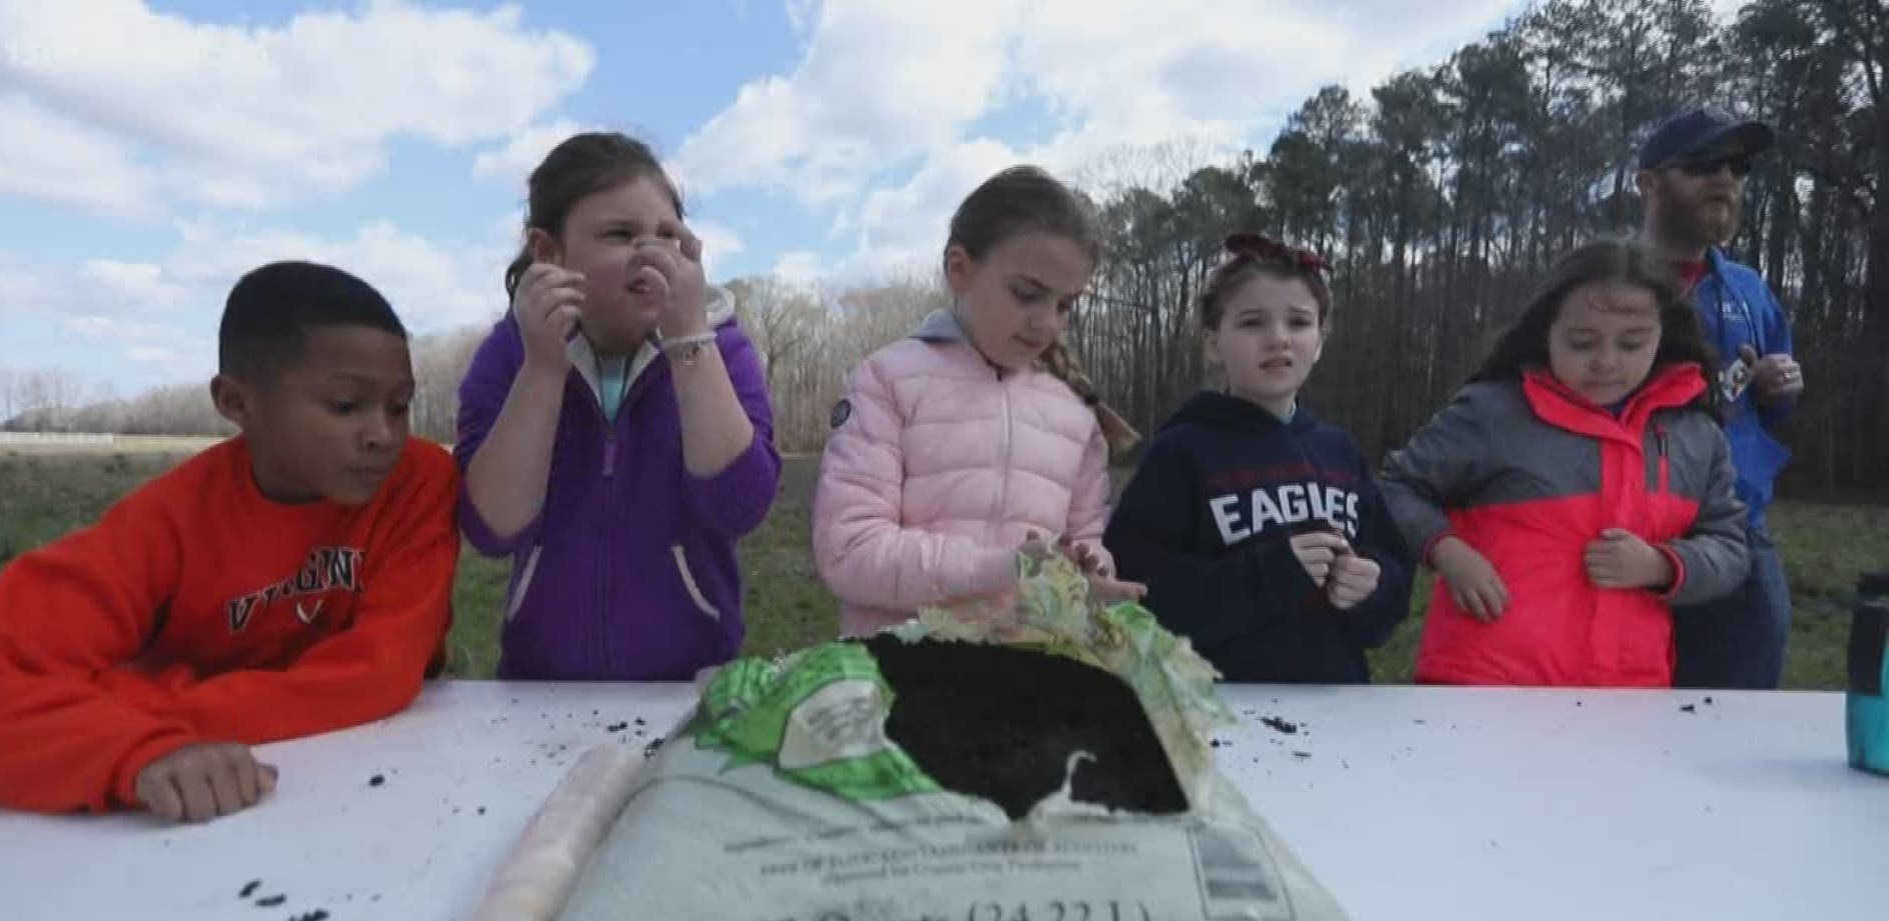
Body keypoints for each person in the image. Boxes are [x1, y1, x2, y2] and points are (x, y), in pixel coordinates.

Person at [0, 261, 460, 822]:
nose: (383, 435)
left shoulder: (416, 483)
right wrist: (137, 750)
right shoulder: (166, 521)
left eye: (400, 407)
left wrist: (128, 705)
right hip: (191, 825)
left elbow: (379, 675)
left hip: (365, 795)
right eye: (344, 406)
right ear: (235, 402)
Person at [457, 133, 779, 681]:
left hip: (691, 686)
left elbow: (740, 506)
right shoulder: (510, 352)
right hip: (538, 690)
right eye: (620, 234)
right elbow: (492, 529)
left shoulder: (721, 347)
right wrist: (542, 369)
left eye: (667, 235)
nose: (651, 253)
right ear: (548, 253)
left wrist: (689, 340)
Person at [1377, 239, 1749, 688]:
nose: (1606, 362)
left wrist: (1662, 565)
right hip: (1484, 685)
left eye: (1632, 344)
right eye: (1581, 342)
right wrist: (1449, 552)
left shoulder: (1697, 435)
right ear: (1546, 330)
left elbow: (1730, 547)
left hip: (1627, 695)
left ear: (1662, 335)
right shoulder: (1492, 414)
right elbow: (1396, 486)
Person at [812, 165, 1144, 637]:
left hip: (1032, 681)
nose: (1047, 323)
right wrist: (1002, 568)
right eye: (1027, 294)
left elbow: (1087, 542)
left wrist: (1089, 579)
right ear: (960, 269)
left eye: (1065, 304)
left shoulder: (1075, 414)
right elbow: (850, 552)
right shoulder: (886, 380)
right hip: (898, 679)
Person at [1105, 233, 1412, 683]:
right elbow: (1137, 596)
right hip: (1216, 708)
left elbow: (1395, 583)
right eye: (1252, 323)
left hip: (1340, 708)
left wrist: (1372, 587)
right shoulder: (1182, 451)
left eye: (1299, 322)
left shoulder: (1340, 452)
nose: (1278, 339)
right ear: (1213, 343)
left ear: (1321, 340)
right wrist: (1270, 575)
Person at [1635, 106, 1803, 689]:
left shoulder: (1750, 289)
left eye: (1738, 166)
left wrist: (1779, 388)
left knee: (1740, 714)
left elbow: (1772, 407)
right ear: (1648, 184)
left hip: (1735, 528)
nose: (1725, 179)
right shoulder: (1604, 284)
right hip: (1628, 533)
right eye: (1705, 164)